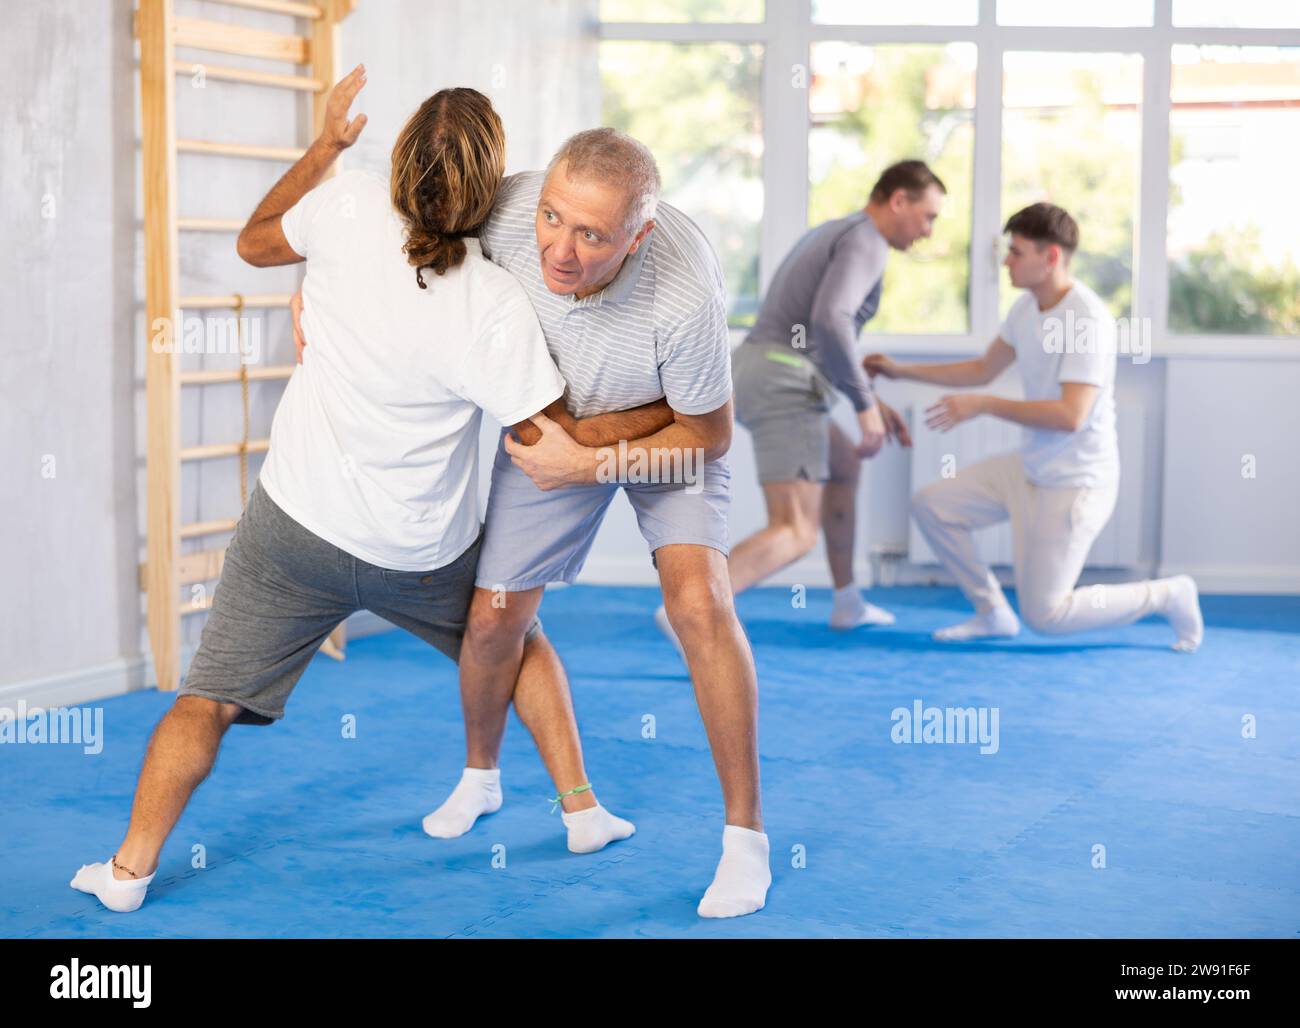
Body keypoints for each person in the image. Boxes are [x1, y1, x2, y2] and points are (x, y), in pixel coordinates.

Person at [70, 70, 634, 914]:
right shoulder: (494, 299)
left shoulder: (346, 205)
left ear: (399, 158)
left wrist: (329, 142)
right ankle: (582, 812)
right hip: (419, 554)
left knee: (207, 699)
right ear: (492, 192)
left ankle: (127, 872)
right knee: (517, 641)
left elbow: (255, 242)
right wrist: (664, 428)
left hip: (295, 531)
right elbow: (548, 438)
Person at [417, 127, 771, 918]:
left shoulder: (683, 295)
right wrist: (319, 292)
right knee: (491, 620)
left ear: (637, 236)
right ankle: (480, 777)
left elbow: (705, 436)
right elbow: (401, 231)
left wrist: (589, 462)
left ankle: (746, 841)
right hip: (565, 427)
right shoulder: (507, 208)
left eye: (591, 235)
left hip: (665, 437)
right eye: (553, 219)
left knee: (701, 607)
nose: (561, 251)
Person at [865, 202, 1203, 651]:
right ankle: (993, 614)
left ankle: (1167, 593)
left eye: (1016, 252)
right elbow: (983, 369)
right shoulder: (1027, 309)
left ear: (1051, 258)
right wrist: (900, 370)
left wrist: (983, 406)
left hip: (1076, 482)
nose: (1006, 261)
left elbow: (1071, 415)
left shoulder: (1087, 321)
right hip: (1031, 468)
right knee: (933, 505)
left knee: (1047, 616)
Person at [693, 161, 941, 633]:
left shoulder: (842, 230)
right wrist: (866, 407)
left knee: (844, 464)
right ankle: (694, 613)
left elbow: (820, 331)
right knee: (795, 530)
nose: (929, 231)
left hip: (766, 371)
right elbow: (832, 319)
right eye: (928, 216)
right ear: (899, 201)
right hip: (784, 381)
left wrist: (868, 397)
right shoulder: (867, 239)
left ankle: (847, 601)